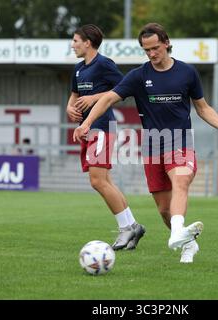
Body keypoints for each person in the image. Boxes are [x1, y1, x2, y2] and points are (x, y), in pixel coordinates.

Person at [73, 23, 218, 263]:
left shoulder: (187, 73)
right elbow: (107, 99)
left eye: (156, 48)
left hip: (181, 141)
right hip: (153, 146)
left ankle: (178, 232)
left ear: (166, 43)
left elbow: (203, 109)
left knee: (181, 181)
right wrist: (86, 124)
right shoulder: (138, 76)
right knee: (164, 210)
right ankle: (186, 241)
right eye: (147, 51)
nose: (152, 54)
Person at [67, 24, 145, 250]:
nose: (72, 45)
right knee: (105, 181)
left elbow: (123, 89)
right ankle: (133, 226)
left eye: (75, 41)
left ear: (87, 43)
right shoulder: (79, 69)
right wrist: (69, 108)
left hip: (102, 127)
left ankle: (125, 229)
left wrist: (94, 98)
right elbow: (73, 95)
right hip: (87, 129)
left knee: (98, 180)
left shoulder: (104, 64)